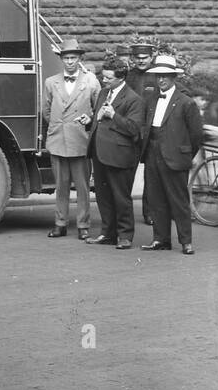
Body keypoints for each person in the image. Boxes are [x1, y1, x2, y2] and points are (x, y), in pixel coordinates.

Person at [139, 53, 204, 254]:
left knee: (179, 201)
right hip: (152, 152)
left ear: (174, 77)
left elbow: (196, 136)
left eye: (166, 75)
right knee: (156, 199)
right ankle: (161, 240)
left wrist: (183, 155)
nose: (161, 79)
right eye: (158, 75)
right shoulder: (150, 98)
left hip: (175, 156)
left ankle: (186, 242)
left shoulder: (186, 102)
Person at [41, 37, 97, 239]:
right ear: (61, 59)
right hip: (58, 140)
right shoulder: (51, 82)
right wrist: (59, 125)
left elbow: (98, 108)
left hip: (80, 140)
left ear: (79, 58)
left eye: (74, 57)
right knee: (61, 186)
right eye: (67, 58)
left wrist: (88, 119)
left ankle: (83, 224)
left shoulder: (90, 81)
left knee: (82, 186)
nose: (70, 62)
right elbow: (46, 110)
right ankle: (60, 223)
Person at [85, 56, 143, 249]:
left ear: (121, 78)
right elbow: (99, 118)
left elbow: (134, 129)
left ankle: (125, 236)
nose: (104, 80)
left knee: (121, 197)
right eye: (104, 76)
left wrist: (114, 115)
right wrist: (89, 121)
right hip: (100, 153)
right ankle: (107, 233)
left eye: (109, 78)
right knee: (103, 197)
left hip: (119, 156)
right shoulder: (103, 93)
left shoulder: (134, 99)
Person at [124, 42, 158, 225]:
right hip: (131, 132)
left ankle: (150, 213)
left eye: (145, 58)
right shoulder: (128, 77)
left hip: (151, 132)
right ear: (133, 58)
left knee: (151, 176)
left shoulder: (158, 76)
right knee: (126, 174)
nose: (141, 61)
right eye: (138, 58)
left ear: (151, 57)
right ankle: (124, 213)